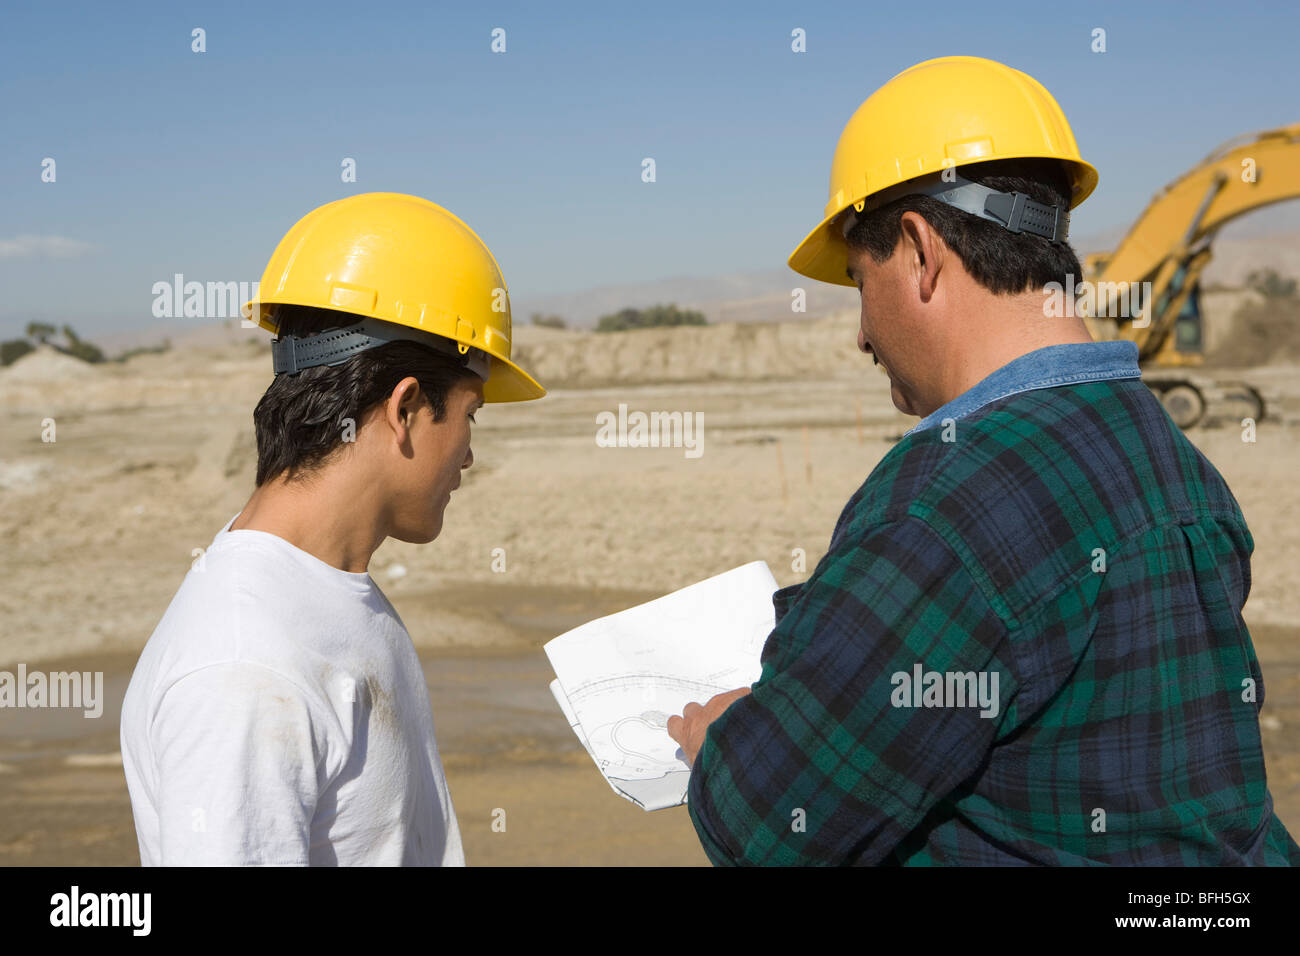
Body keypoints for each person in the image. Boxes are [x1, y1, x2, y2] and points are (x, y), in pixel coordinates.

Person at [667, 56, 1299, 866]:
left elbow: (769, 828)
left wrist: (723, 745)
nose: (862, 332)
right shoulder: (1172, 460)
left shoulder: (944, 505)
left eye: (861, 281)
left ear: (920, 249)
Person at [120, 192, 545, 865]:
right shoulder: (244, 669)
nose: (468, 453)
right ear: (406, 407)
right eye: (471, 416)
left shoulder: (324, 590)